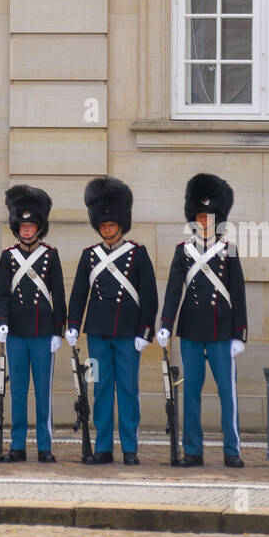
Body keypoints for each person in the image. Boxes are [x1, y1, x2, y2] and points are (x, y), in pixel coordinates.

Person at [157, 173, 247, 468]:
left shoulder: (228, 250)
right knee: (191, 393)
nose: (205, 221)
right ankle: (193, 451)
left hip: (222, 331)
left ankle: (232, 451)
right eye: (200, 216)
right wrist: (166, 324)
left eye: (209, 216)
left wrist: (239, 334)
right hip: (192, 330)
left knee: (227, 394)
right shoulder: (183, 251)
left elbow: (238, 293)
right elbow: (173, 290)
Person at [65, 177, 157, 465]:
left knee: (128, 389)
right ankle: (103, 446)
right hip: (96, 334)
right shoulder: (89, 256)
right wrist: (72, 324)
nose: (107, 228)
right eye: (103, 225)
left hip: (128, 334)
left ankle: (130, 447)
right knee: (100, 388)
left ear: (121, 224)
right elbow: (79, 293)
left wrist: (146, 330)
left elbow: (149, 295)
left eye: (111, 224)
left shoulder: (137, 253)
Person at [0, 185, 66, 463]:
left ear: (39, 228)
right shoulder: (8, 256)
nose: (26, 230)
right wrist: (1, 321)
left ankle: (45, 446)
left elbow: (58, 293)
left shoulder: (50, 255)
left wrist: (58, 329)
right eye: (22, 225)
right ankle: (18, 445)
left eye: (30, 225)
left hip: (42, 333)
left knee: (43, 393)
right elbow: (0, 293)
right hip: (16, 334)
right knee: (18, 393)